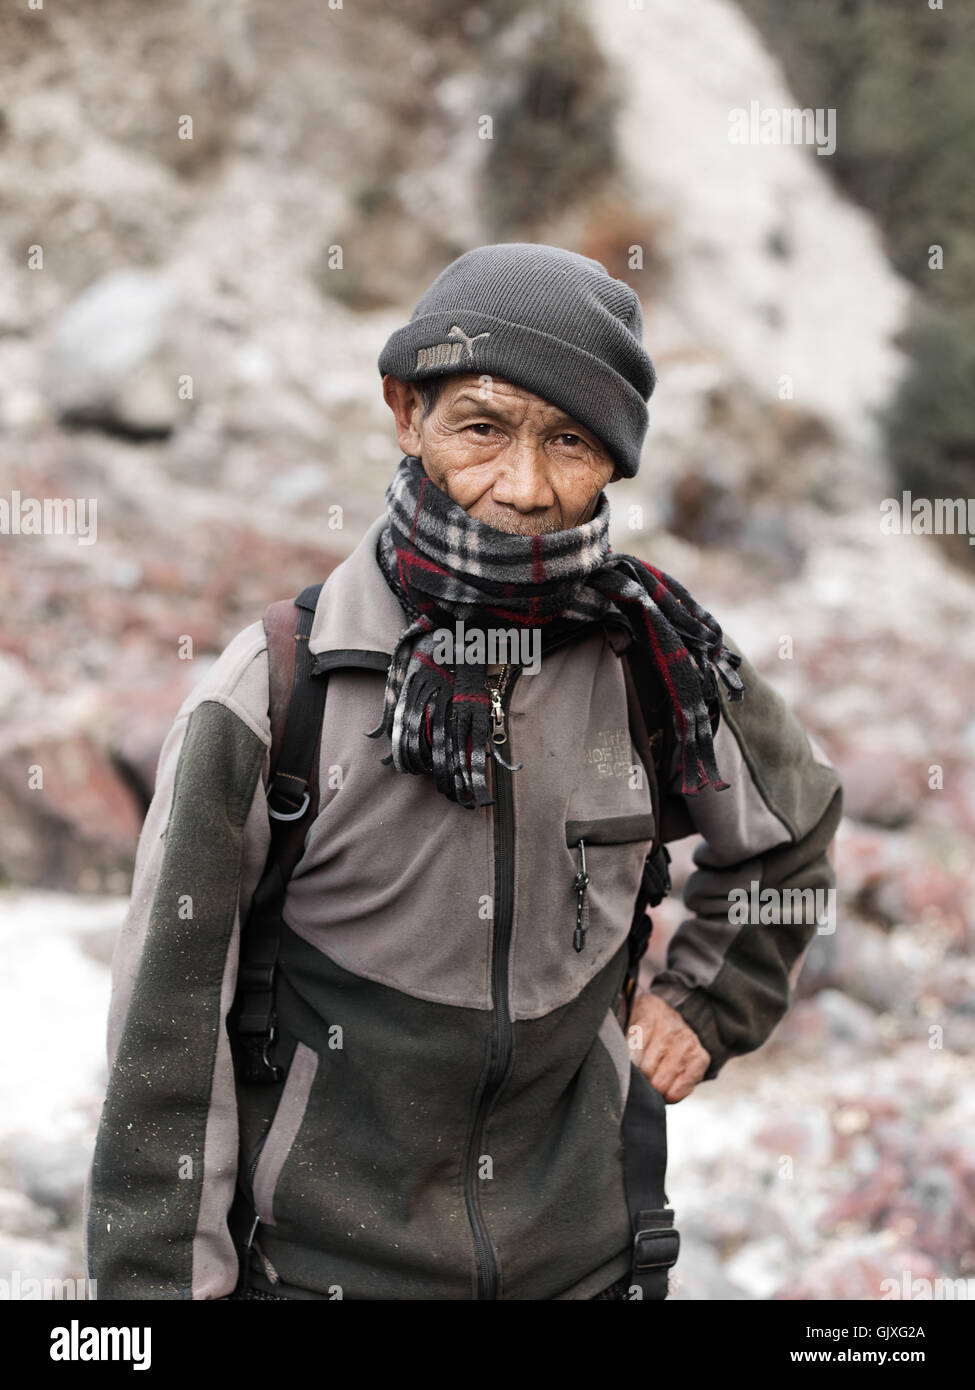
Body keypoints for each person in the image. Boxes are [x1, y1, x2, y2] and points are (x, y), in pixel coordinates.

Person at [82, 242, 843, 1300]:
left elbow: (793, 828)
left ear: (614, 462)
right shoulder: (282, 687)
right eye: (483, 427)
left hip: (588, 1267)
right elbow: (164, 1042)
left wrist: (707, 1005)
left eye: (570, 441)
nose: (523, 488)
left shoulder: (653, 660)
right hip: (317, 1274)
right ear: (407, 413)